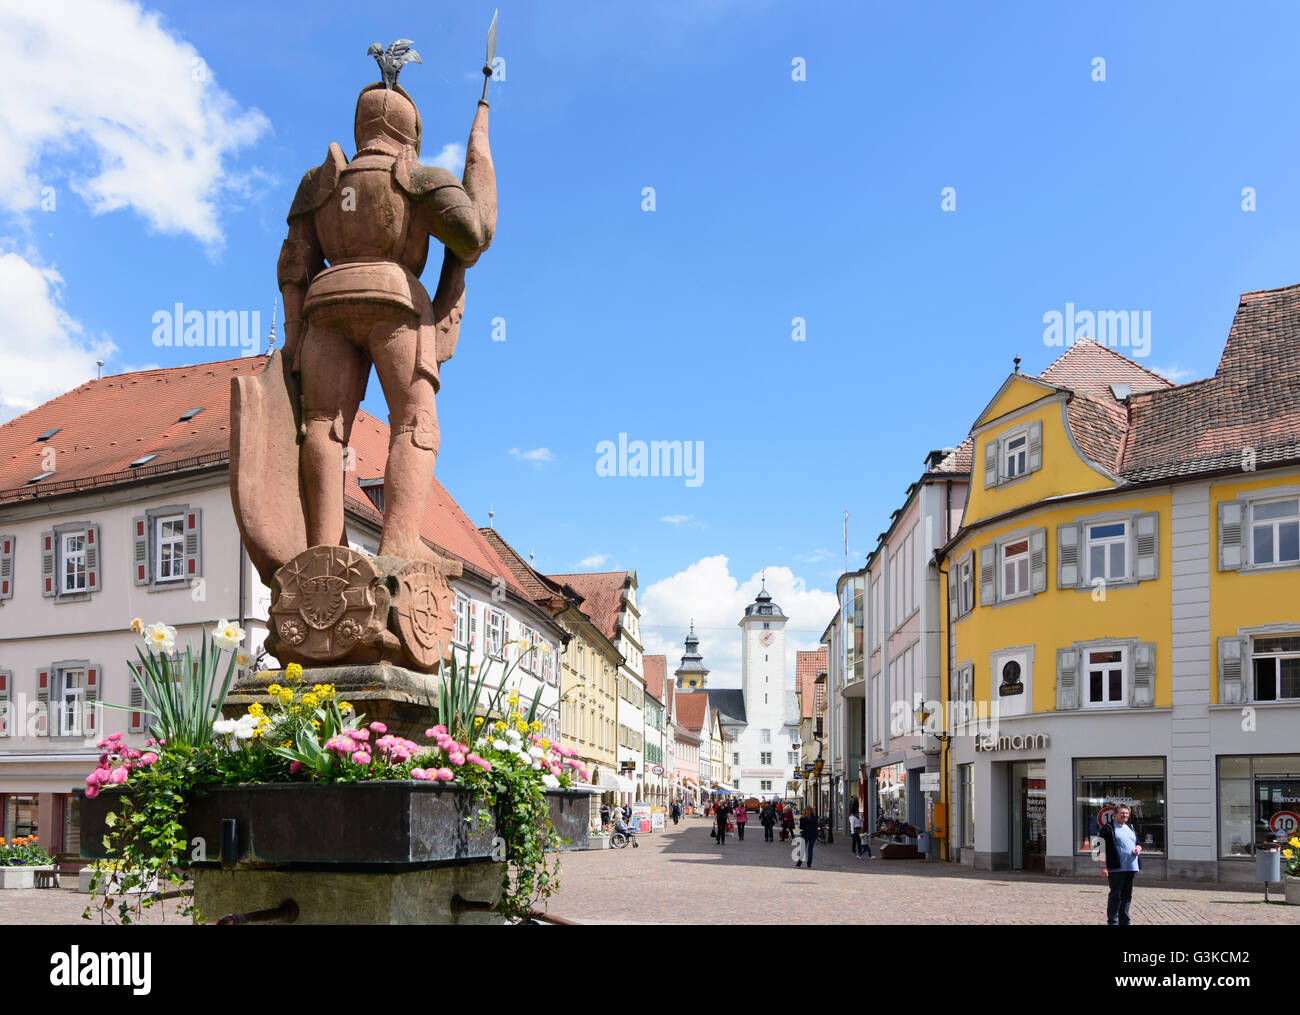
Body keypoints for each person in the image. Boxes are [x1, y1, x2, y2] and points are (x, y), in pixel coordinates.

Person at [1098, 804, 1142, 925]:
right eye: (1122, 813)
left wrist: (1138, 848)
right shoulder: (1107, 828)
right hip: (1116, 867)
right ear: (1115, 814)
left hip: (1131, 866)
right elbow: (1101, 848)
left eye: (1127, 813)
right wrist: (1103, 866)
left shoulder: (1130, 827)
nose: (1125, 815)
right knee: (1115, 895)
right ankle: (1113, 921)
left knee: (1127, 896)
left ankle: (1125, 921)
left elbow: (1137, 843)